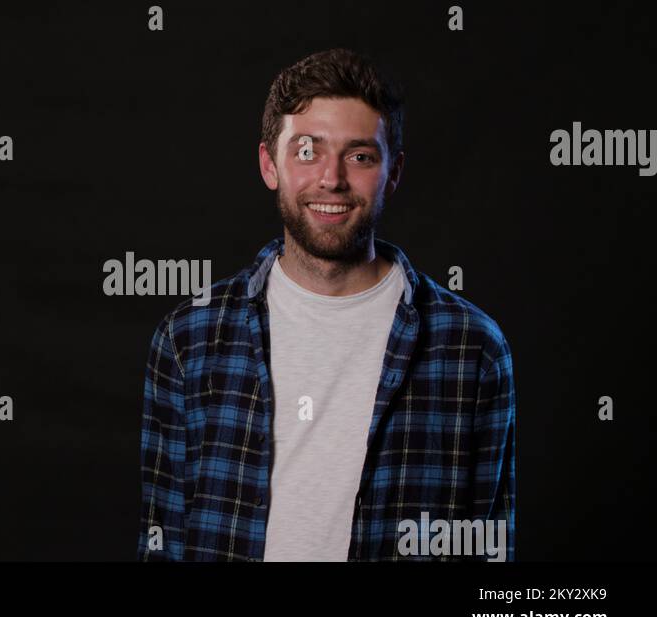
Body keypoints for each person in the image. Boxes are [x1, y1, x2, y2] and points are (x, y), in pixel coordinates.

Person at [137, 48, 516, 562]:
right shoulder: (189, 339)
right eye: (308, 150)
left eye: (360, 155)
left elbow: (489, 551)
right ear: (270, 164)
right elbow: (162, 540)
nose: (332, 179)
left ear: (394, 172)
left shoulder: (472, 349)